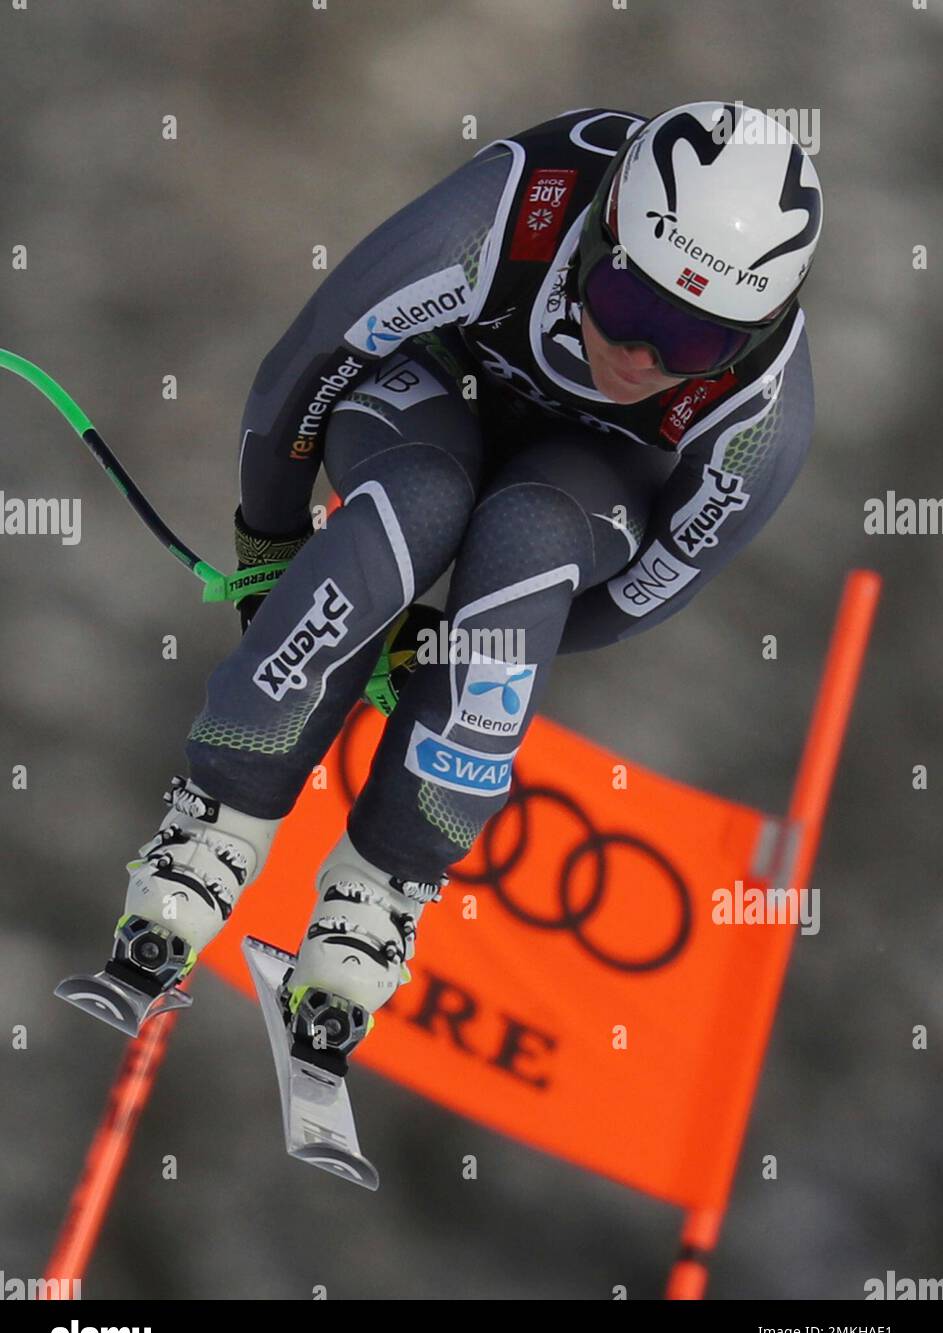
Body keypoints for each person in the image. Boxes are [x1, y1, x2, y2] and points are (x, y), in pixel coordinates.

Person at [59, 102, 822, 1069]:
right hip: (438, 388)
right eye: (629, 307)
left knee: (528, 546)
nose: (640, 358)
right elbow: (308, 366)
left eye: (695, 344)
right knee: (413, 505)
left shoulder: (764, 417)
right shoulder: (510, 213)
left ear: (754, 338)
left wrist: (450, 650)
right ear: (596, 238)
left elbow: (652, 591)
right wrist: (270, 540)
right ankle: (214, 826)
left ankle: (381, 892)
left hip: (589, 478)